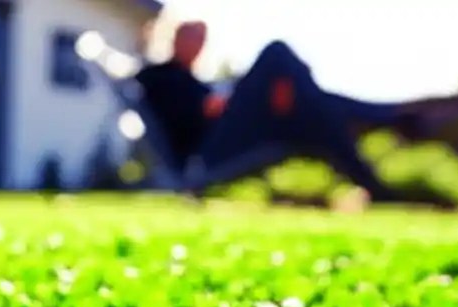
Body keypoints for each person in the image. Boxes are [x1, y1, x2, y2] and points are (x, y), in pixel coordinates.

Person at [135, 19, 407, 201]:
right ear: (175, 38)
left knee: (314, 112)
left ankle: (378, 180)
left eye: (201, 39)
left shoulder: (198, 81)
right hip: (206, 154)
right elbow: (185, 119)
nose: (197, 44)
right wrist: (213, 107)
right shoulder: (158, 76)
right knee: (277, 54)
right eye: (192, 36)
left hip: (234, 138)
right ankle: (386, 117)